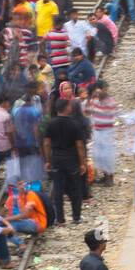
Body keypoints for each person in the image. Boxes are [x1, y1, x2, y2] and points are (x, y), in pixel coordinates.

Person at [44, 96, 87, 225]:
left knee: (58, 189)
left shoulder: (50, 124)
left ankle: (61, 219)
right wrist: (82, 163)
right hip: (72, 159)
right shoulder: (75, 124)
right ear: (66, 108)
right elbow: (79, 145)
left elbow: (47, 144)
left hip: (57, 159)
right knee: (75, 189)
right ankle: (76, 217)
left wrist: (47, 160)